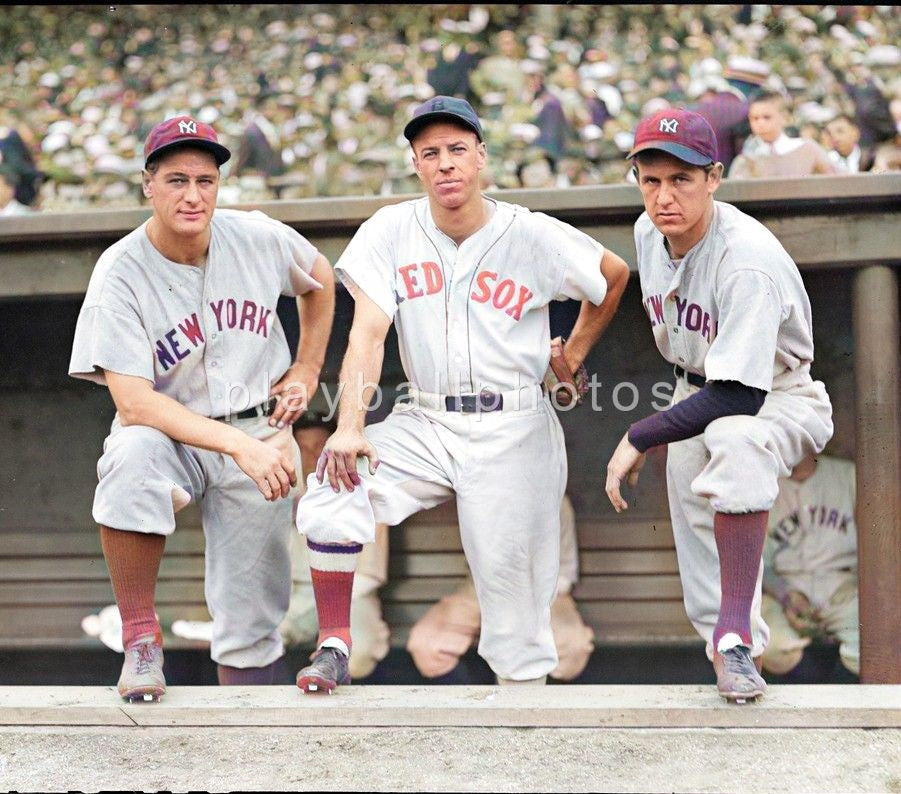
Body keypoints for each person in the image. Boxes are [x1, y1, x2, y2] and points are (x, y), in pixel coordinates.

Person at [294, 95, 630, 693]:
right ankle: (336, 643)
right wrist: (348, 426)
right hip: (427, 417)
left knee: (517, 626)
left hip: (513, 423)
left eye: (456, 149)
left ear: (480, 157)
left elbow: (612, 274)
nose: (444, 162)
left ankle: (525, 738)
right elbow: (367, 334)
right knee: (331, 488)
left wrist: (574, 354)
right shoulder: (390, 230)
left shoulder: (528, 231)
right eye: (430, 153)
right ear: (416, 165)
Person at [67, 115, 335, 701]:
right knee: (130, 457)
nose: (193, 195)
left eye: (205, 181)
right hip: (171, 432)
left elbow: (319, 275)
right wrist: (238, 446)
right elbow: (134, 403)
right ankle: (141, 640)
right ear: (149, 185)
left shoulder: (258, 235)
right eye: (176, 180)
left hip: (258, 423)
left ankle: (246, 729)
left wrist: (308, 366)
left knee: (251, 621)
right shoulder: (120, 270)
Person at [605, 108, 833, 703]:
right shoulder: (648, 231)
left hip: (777, 394)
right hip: (697, 387)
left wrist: (642, 434)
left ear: (713, 178)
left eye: (681, 179)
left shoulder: (746, 260)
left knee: (735, 439)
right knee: (698, 539)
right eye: (651, 180)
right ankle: (727, 651)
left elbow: (741, 395)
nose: (664, 196)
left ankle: (736, 638)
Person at [406, 493, 595, 682]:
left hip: (544, 596)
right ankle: (470, 698)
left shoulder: (554, 497)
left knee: (573, 646)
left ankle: (545, 699)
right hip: (482, 592)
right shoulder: (481, 494)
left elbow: (564, 576)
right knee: (426, 642)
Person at [760, 453, 859, 678]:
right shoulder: (764, 483)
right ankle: (815, 687)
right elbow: (760, 564)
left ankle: (837, 693)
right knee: (767, 643)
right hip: (786, 590)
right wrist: (787, 595)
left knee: (870, 643)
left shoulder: (849, 475)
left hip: (844, 588)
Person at [728, 90, 841, 179]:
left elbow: (839, 180)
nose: (760, 123)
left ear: (785, 117)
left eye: (767, 117)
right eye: (755, 118)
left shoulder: (807, 149)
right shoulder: (746, 160)